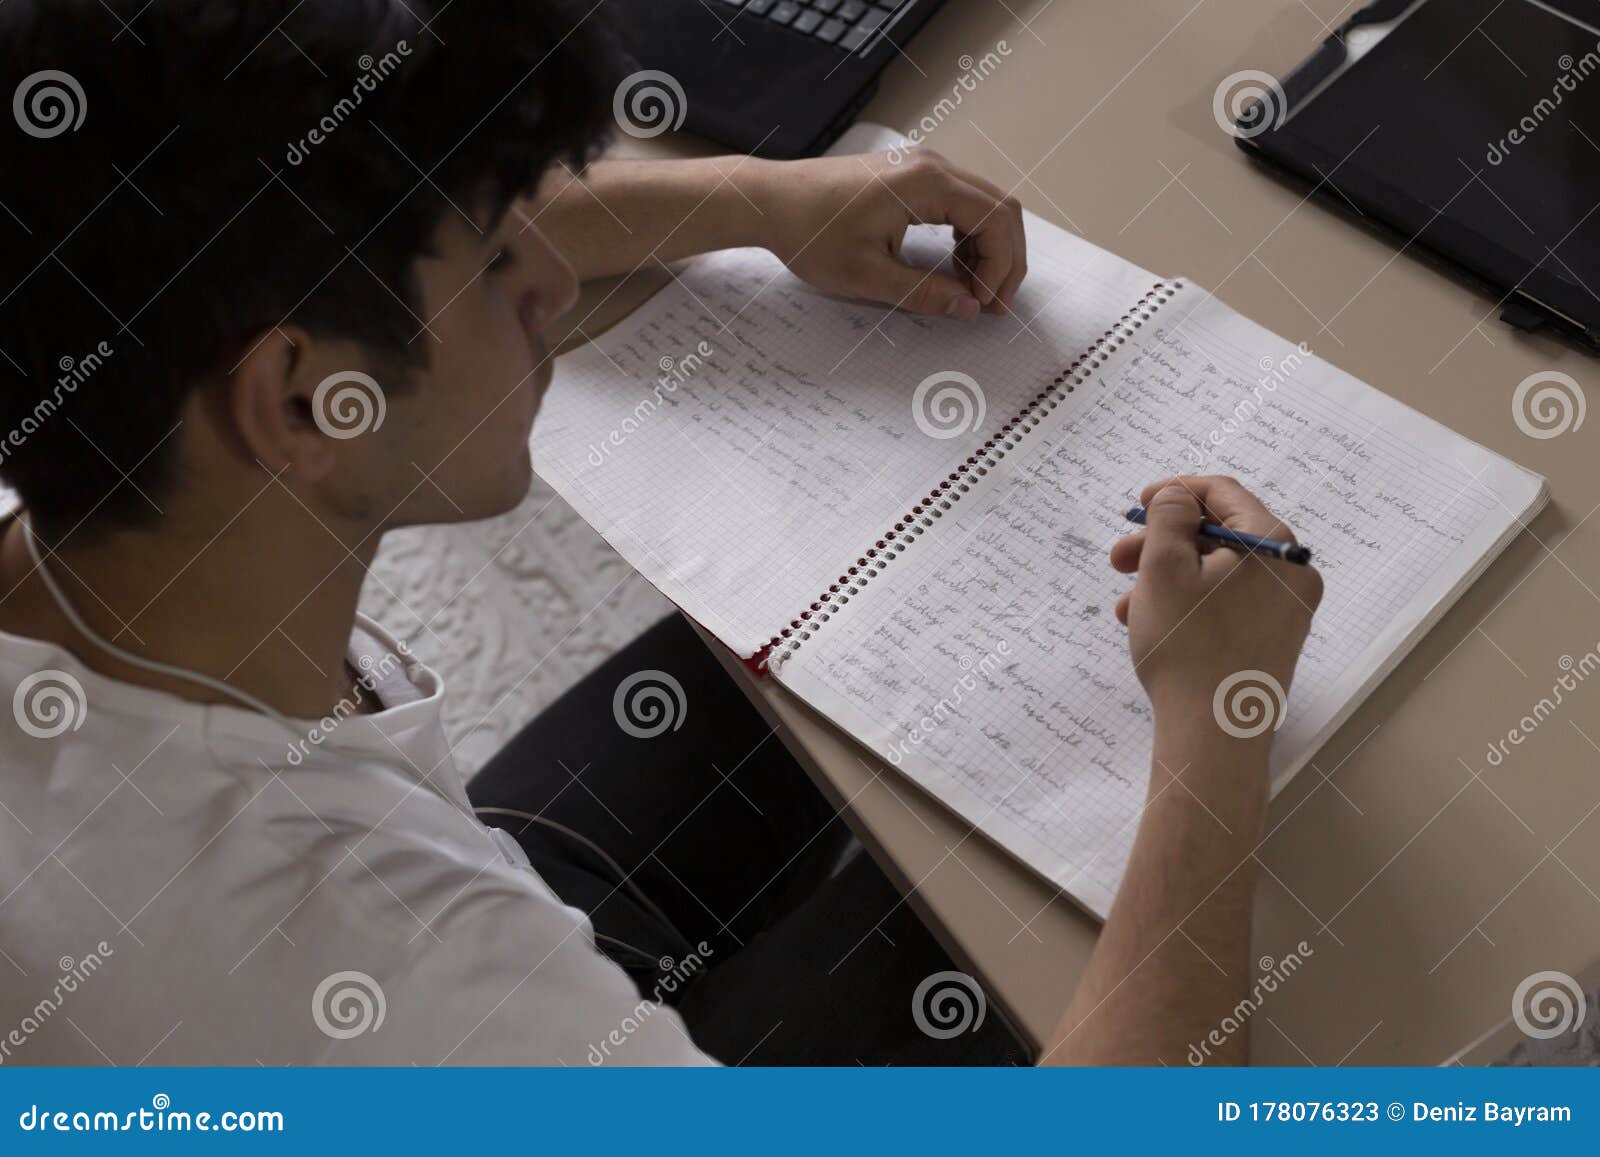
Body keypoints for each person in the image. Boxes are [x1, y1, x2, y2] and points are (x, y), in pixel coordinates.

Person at [0, 1, 1319, 1065]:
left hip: (462, 870)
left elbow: (309, 221)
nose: (556, 280)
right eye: (495, 255)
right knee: (1004, 932)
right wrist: (1223, 710)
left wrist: (759, 199)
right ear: (298, 399)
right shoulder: (394, 968)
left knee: (814, 661)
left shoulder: (84, 368)